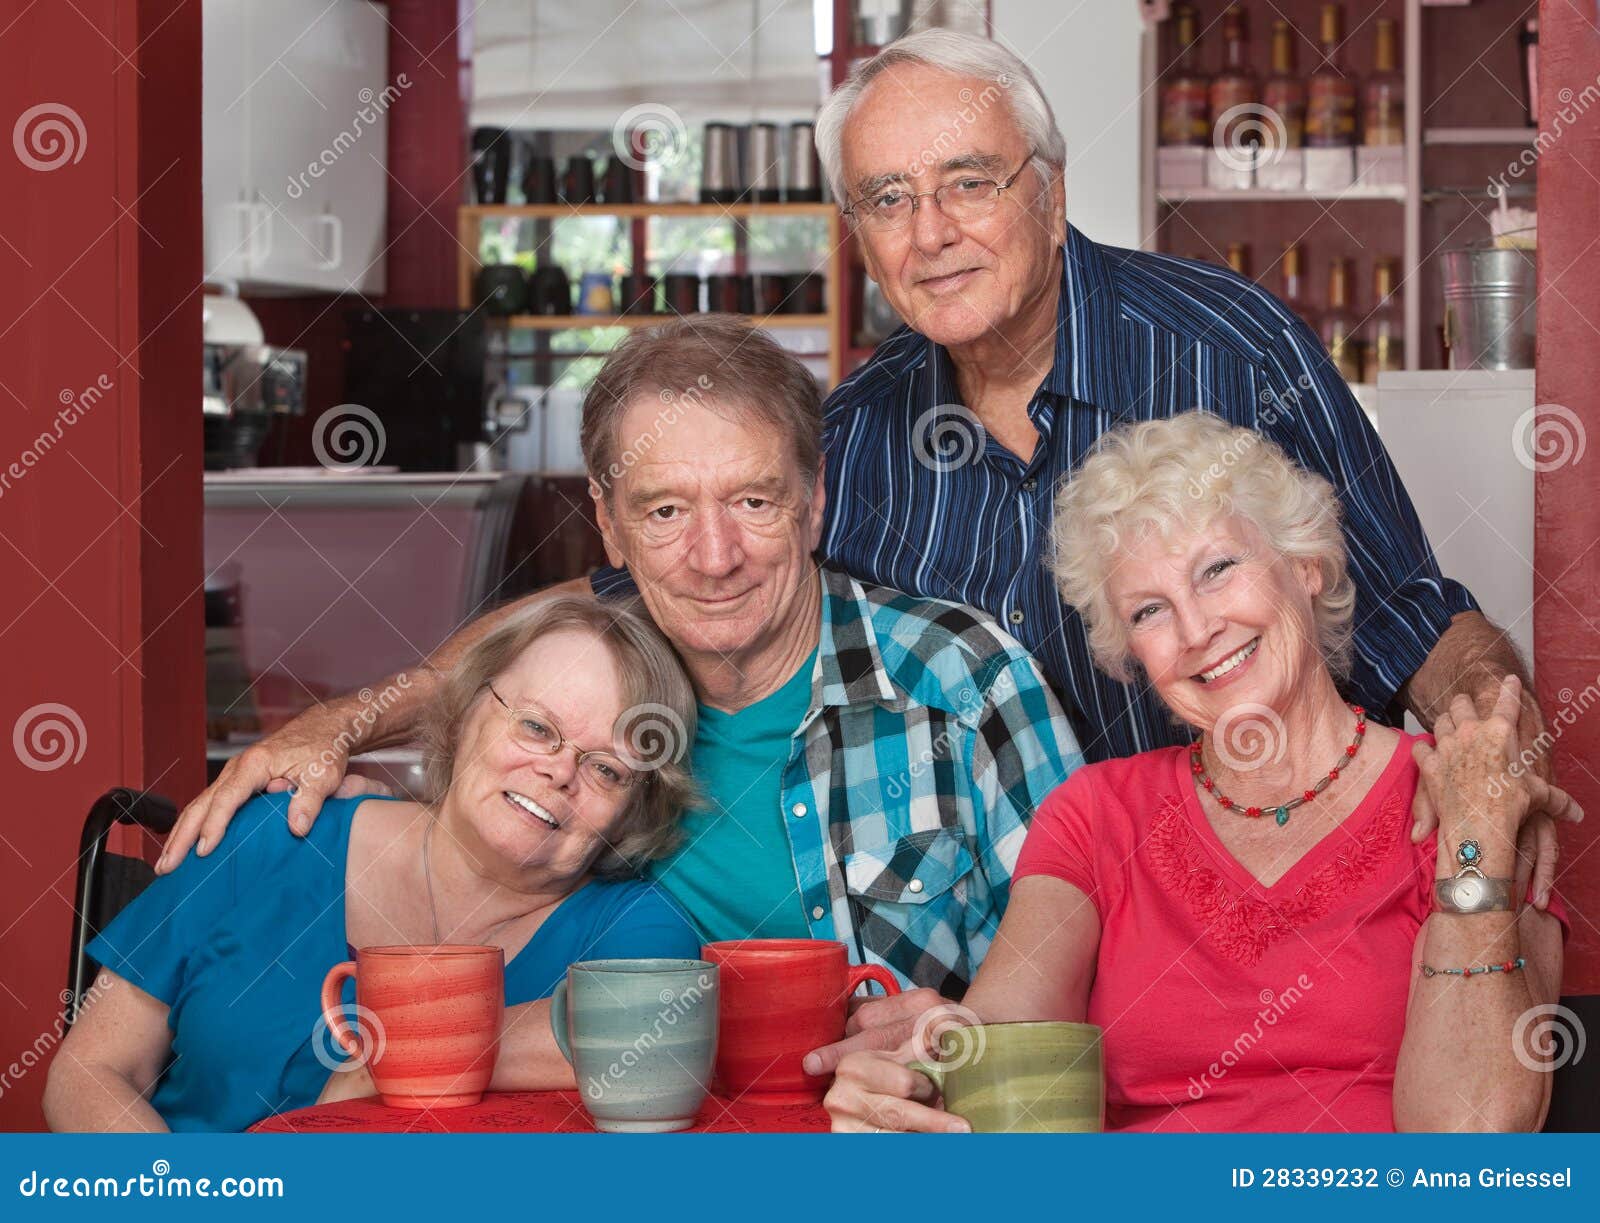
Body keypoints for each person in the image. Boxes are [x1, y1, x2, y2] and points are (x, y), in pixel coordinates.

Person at [157, 28, 1562, 912]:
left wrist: (1507, 766)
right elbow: (614, 599)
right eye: (889, 200)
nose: (932, 230)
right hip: (1032, 935)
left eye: (968, 181)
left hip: (1285, 891)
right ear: (857, 234)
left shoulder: (1232, 347)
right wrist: (347, 720)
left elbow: (1412, 610)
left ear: (1049, 191)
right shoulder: (859, 431)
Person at [822, 414, 1577, 1133]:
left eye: (1218, 569)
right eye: (1150, 611)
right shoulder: (1096, 814)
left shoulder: (1466, 797)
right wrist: (921, 1068)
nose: (1196, 630)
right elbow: (1003, 1044)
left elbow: (1471, 1135)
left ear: (1305, 563)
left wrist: (1476, 836)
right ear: (1129, 652)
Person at [44, 596, 702, 1132]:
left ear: (636, 809)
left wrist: (387, 1057)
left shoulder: (635, 933)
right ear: (468, 707)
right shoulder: (273, 833)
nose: (559, 771)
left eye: (608, 769)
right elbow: (91, 1071)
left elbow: (644, 1031)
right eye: (535, 727)